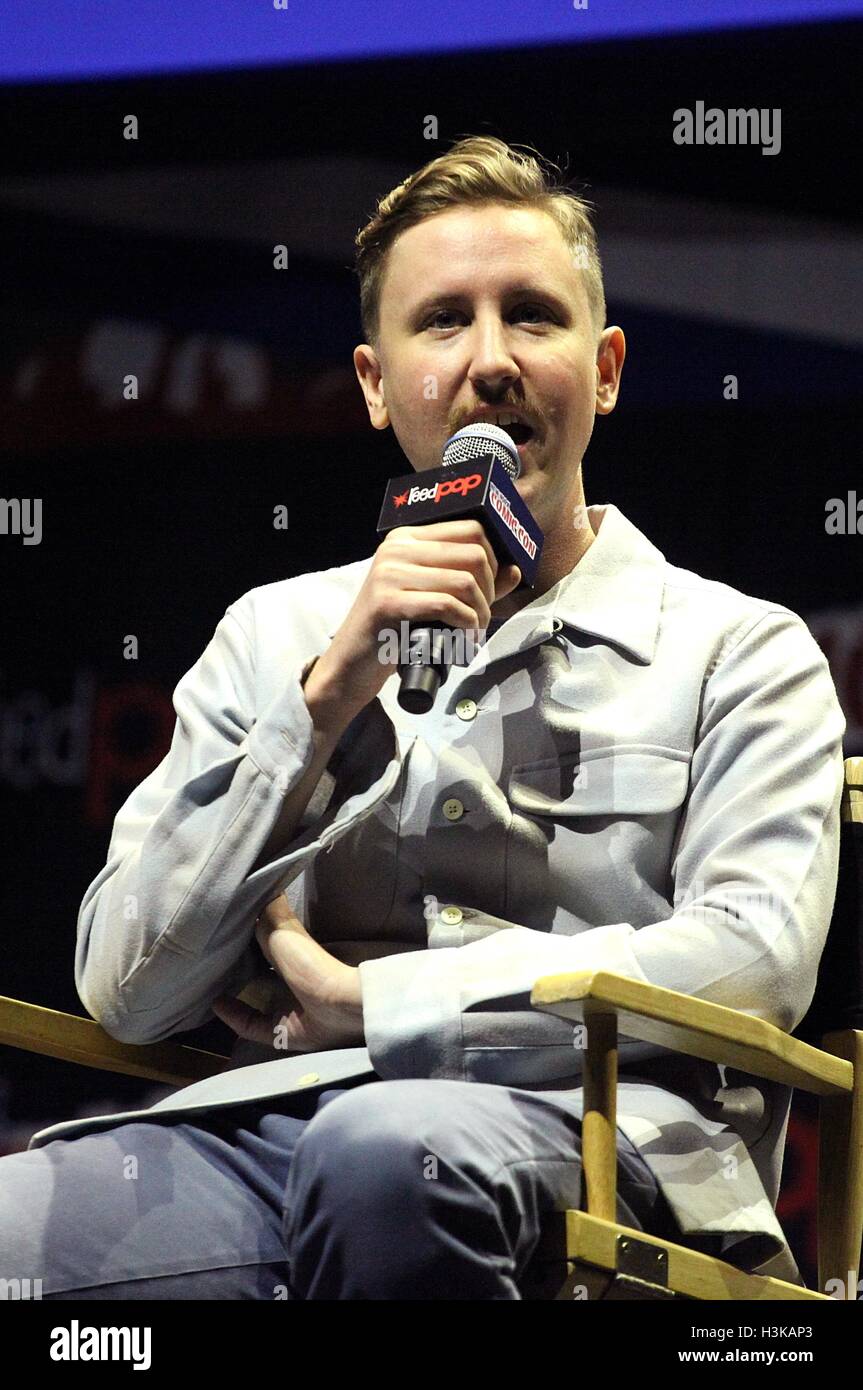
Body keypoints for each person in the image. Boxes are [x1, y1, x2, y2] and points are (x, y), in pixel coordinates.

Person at [0, 136, 846, 1299]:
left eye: (531, 316)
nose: (490, 361)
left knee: (383, 1159)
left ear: (603, 369)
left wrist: (370, 1006)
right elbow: (126, 988)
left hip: (606, 1150)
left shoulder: (738, 649)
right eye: (443, 321)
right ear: (373, 382)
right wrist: (325, 699)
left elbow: (751, 961)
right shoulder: (278, 632)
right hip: (268, 1130)